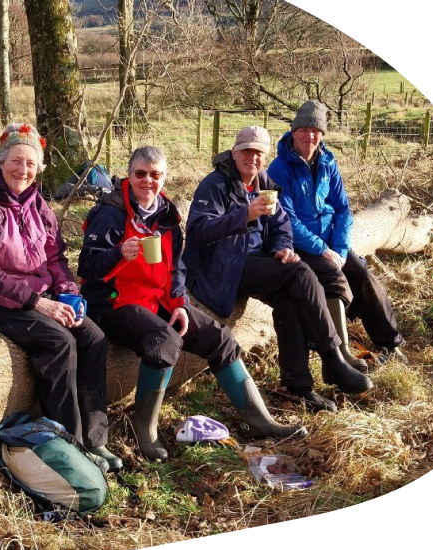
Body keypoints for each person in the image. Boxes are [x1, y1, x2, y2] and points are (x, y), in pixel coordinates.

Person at [78, 146, 306, 463]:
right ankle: (145, 430)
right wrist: (118, 254)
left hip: (157, 298)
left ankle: (259, 420)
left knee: (220, 338)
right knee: (164, 342)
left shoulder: (168, 215)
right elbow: (87, 270)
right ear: (129, 175)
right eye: (140, 174)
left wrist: (179, 303)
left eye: (155, 175)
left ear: (164, 178)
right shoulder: (110, 211)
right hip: (113, 301)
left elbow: (176, 268)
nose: (147, 181)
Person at [0, 123, 122, 474]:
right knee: (59, 342)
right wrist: (39, 303)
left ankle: (95, 439)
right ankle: (68, 447)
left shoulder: (38, 204)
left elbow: (56, 257)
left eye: (31, 163)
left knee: (92, 336)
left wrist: (70, 295)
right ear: (0, 161)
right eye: (16, 161)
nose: (23, 170)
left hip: (38, 296)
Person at [183, 126, 374, 414]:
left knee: (291, 294)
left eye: (259, 152)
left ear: (265, 156)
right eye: (247, 150)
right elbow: (197, 231)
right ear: (234, 153)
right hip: (220, 267)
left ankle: (299, 386)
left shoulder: (264, 181)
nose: (253, 157)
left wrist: (282, 247)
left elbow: (281, 224)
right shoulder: (215, 184)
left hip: (256, 261)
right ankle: (332, 357)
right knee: (299, 274)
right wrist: (245, 215)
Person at [266, 100, 406, 368]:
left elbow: (343, 209)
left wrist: (340, 250)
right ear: (294, 132)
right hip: (301, 244)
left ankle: (390, 341)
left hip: (332, 241)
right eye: (304, 129)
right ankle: (341, 353)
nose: (310, 136)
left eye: (316, 131)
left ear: (322, 134)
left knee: (363, 275)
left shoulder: (328, 163)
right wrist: (322, 249)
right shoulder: (279, 169)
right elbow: (288, 219)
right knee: (334, 279)